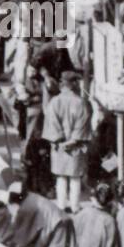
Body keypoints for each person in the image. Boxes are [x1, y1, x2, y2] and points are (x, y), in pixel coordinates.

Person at [43, 71, 90, 211]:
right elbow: (82, 125)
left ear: (63, 84)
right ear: (74, 84)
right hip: (76, 145)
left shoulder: (54, 101)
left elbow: (52, 124)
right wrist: (73, 140)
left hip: (59, 146)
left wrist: (60, 141)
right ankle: (75, 207)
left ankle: (61, 206)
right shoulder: (81, 102)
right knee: (75, 177)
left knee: (61, 176)